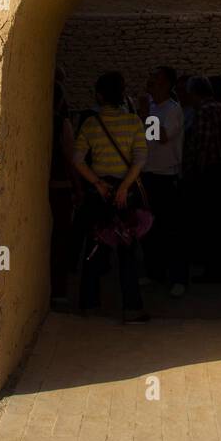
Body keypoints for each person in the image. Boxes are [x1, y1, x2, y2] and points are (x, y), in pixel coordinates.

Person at [72, 71, 150, 323]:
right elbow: (140, 159)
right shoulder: (134, 122)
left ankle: (90, 305)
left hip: (100, 192)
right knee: (127, 249)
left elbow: (77, 159)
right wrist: (125, 186)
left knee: (95, 247)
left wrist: (97, 182)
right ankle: (132, 308)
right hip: (124, 193)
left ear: (99, 95)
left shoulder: (91, 124)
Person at [137, 66, 187, 298]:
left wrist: (146, 115)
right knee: (148, 227)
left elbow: (163, 137)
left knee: (172, 229)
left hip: (166, 176)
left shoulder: (172, 110)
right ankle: (154, 271)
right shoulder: (153, 108)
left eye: (155, 79)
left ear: (167, 84)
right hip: (147, 174)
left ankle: (178, 278)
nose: (150, 82)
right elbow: (148, 139)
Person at [185, 76, 221, 283]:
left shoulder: (203, 111)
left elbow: (203, 146)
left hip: (209, 174)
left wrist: (195, 172)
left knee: (209, 223)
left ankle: (213, 271)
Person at [49, 80, 80, 308]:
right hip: (60, 188)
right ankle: (58, 292)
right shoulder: (61, 123)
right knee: (60, 240)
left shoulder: (35, 119)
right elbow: (71, 160)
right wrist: (78, 188)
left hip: (40, 188)